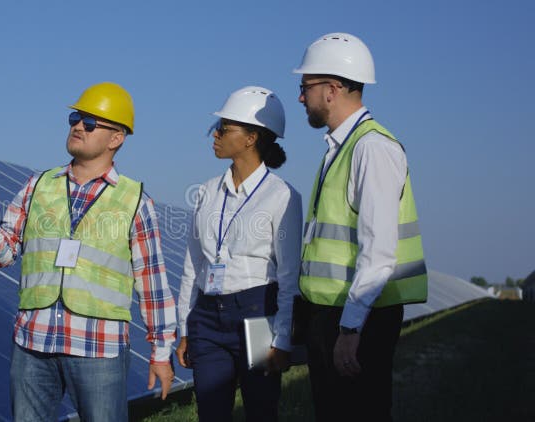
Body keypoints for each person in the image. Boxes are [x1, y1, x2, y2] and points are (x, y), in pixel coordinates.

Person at [0, 82, 177, 421]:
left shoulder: (135, 201)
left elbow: (153, 284)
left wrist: (161, 353)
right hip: (33, 343)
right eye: (76, 118)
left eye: (90, 123)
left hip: (99, 350)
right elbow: (3, 256)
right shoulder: (38, 185)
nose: (78, 126)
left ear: (116, 138)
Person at [293, 33, 428, 421]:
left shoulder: (371, 148)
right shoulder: (341, 148)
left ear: (332, 89)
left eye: (305, 87)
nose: (301, 97)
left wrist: (350, 331)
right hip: (332, 313)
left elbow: (379, 251)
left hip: (356, 317)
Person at [175, 86, 302, 422]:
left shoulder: (283, 196)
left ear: (251, 138)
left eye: (224, 129)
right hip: (206, 317)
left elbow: (289, 275)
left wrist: (283, 339)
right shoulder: (205, 192)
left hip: (258, 313)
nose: (214, 135)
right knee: (211, 413)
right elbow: (193, 264)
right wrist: (185, 328)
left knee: (261, 410)